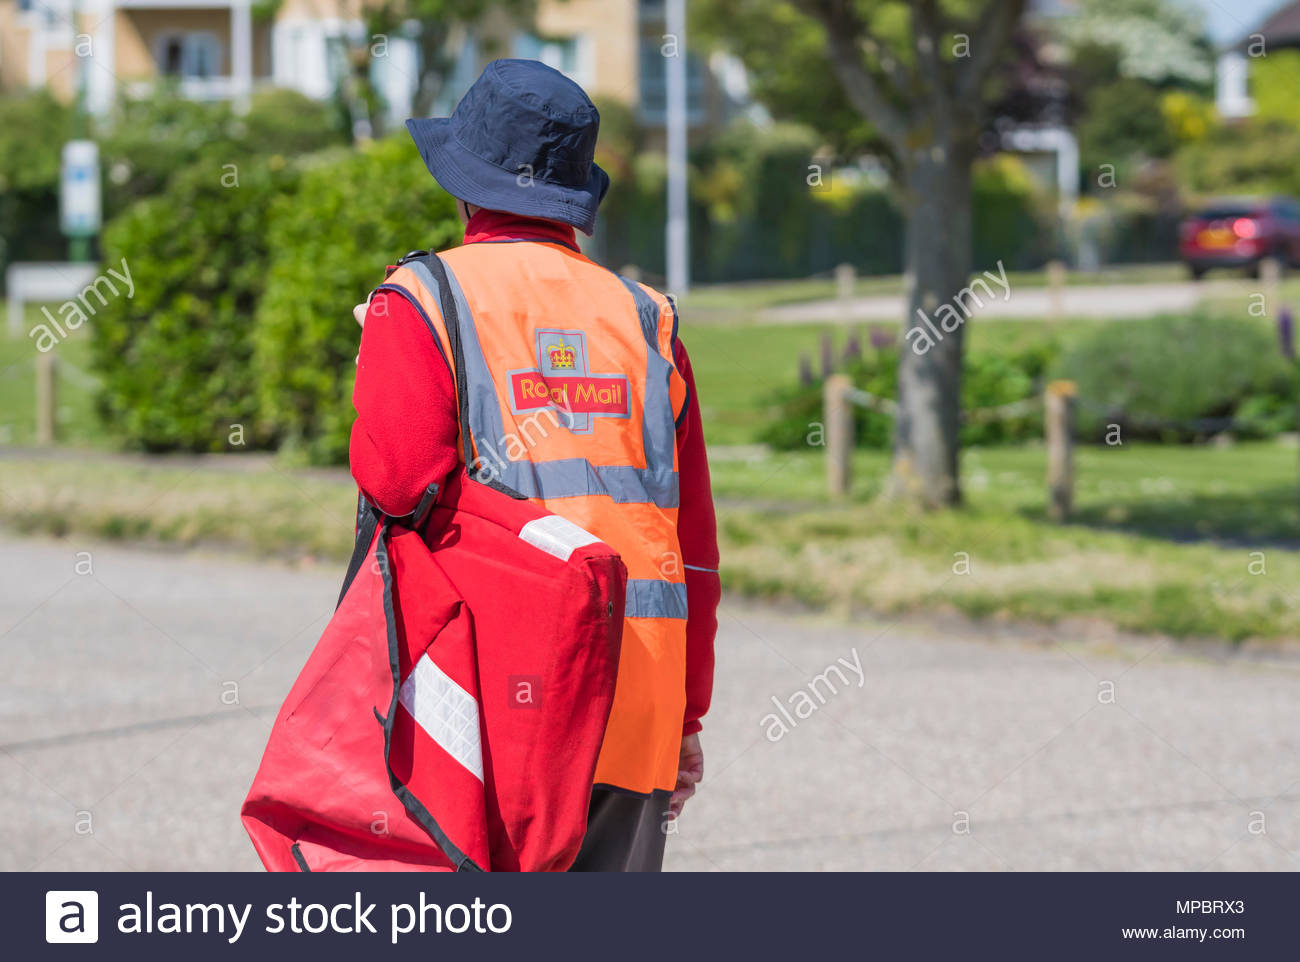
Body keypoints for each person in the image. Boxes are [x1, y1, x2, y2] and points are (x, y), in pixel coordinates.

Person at [348, 59, 720, 872]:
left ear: (464, 186)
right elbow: (693, 545)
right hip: (636, 697)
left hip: (486, 703)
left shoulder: (420, 299)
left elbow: (398, 480)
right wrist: (686, 715)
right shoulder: (648, 321)